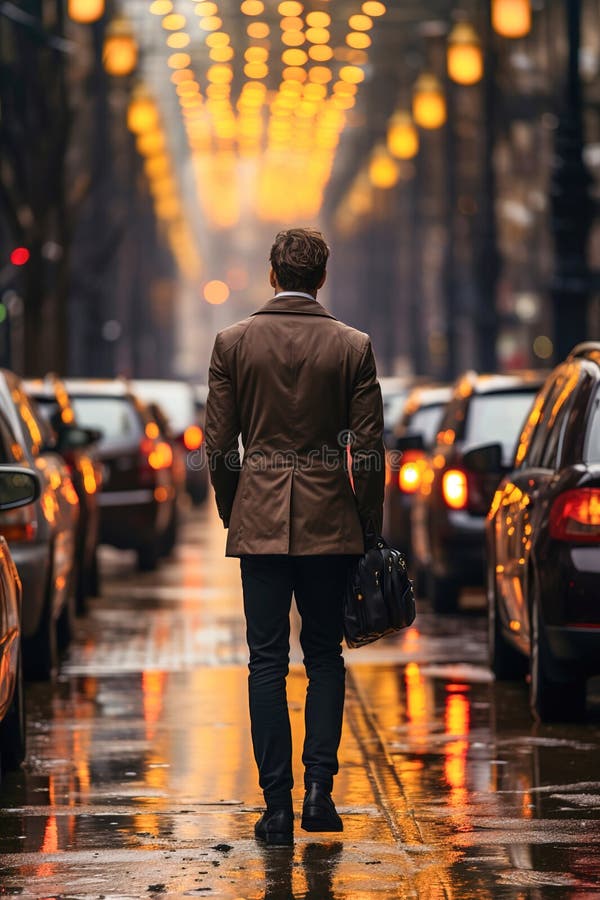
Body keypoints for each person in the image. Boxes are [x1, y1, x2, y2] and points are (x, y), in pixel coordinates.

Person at [205, 227, 384, 846]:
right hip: (330, 522)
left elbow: (219, 446)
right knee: (325, 657)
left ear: (273, 275)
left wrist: (237, 507)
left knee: (265, 662)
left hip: (259, 518)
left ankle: (275, 807)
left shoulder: (233, 344)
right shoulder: (353, 348)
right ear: (322, 279)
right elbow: (367, 452)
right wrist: (369, 527)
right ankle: (319, 794)